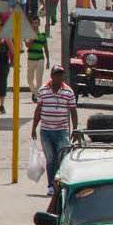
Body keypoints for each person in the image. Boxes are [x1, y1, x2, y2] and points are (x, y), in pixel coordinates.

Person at [32, 65, 79, 196]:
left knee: (62, 158)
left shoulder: (68, 92)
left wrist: (75, 129)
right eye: (57, 74)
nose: (59, 77)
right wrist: (34, 127)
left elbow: (73, 111)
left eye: (61, 75)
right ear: (52, 76)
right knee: (50, 159)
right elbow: (38, 110)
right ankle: (51, 186)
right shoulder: (43, 91)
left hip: (62, 131)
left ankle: (61, 184)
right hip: (46, 131)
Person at [26, 16, 49, 100]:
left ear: (39, 24)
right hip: (31, 59)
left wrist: (48, 61)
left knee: (39, 79)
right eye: (33, 23)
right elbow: (28, 45)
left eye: (36, 23)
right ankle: (35, 93)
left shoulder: (43, 35)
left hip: (40, 58)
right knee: (29, 79)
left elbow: (46, 48)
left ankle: (36, 95)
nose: (35, 25)